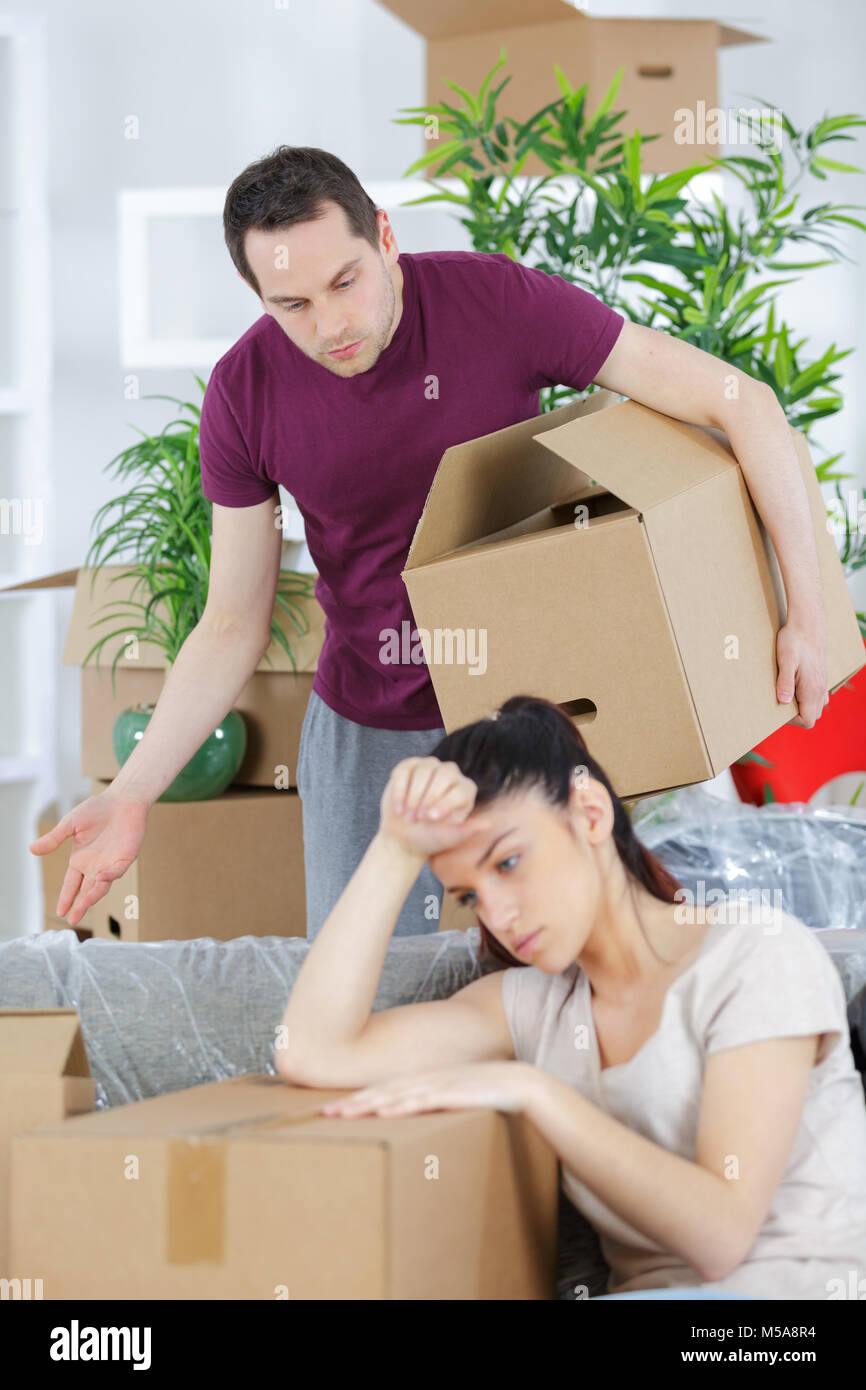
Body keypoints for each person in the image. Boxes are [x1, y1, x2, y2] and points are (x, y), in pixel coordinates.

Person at [29, 146, 829, 938]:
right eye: (292, 304)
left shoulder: (496, 302)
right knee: (360, 994)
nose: (331, 325)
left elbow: (741, 403)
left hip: (536, 701)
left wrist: (806, 615)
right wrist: (131, 792)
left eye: (345, 282)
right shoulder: (245, 392)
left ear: (384, 235)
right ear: (256, 294)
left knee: (584, 978)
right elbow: (235, 621)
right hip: (369, 713)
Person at [275, 695, 866, 1301]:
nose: (498, 914)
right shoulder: (534, 1005)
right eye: (470, 896)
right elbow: (313, 1051)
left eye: (507, 861)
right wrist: (395, 847)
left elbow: (720, 1238)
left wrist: (536, 1094)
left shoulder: (756, 956)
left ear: (589, 813)